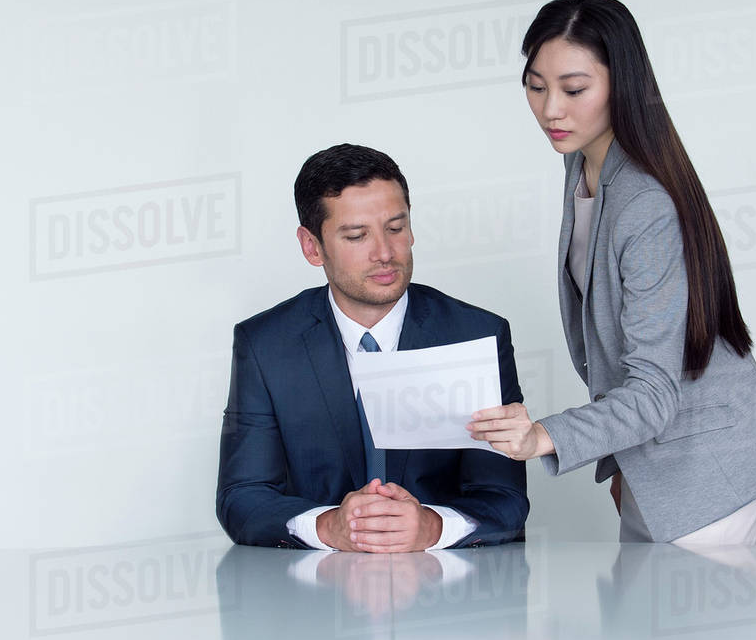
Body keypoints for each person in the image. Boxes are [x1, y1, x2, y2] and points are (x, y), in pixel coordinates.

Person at [468, 0, 756, 546]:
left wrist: (540, 437)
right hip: (654, 456)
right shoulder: (584, 160)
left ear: (620, 85)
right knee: (635, 622)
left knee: (694, 631)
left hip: (709, 464)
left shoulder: (644, 202)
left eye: (574, 89)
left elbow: (653, 392)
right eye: (535, 85)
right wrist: (625, 465)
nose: (552, 109)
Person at [216, 143, 528, 551]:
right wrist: (330, 527)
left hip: (447, 597)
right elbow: (242, 497)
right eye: (357, 235)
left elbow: (504, 499)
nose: (384, 253)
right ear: (312, 247)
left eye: (396, 228)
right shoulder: (265, 344)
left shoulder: (477, 334)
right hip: (311, 600)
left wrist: (431, 527)